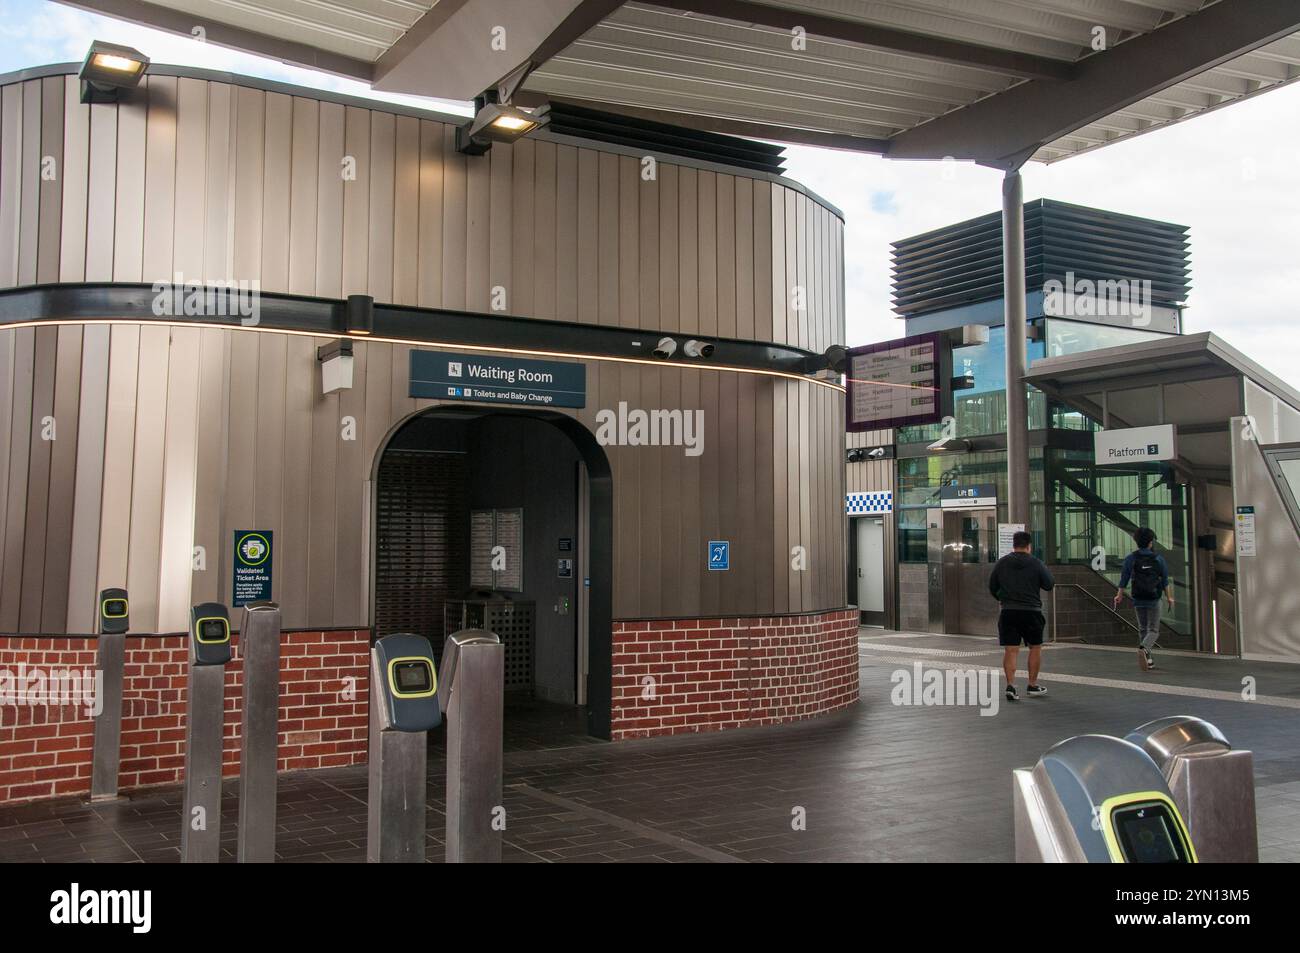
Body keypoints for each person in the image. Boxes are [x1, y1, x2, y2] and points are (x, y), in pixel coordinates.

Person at [988, 530, 1054, 702]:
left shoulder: (1002, 563)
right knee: (1035, 647)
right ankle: (1032, 685)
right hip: (1031, 612)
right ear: (1029, 546)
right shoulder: (1036, 563)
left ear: (1013, 545)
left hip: (1009, 611)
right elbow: (1049, 584)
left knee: (1011, 649)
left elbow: (992, 586)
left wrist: (1002, 599)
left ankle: (1010, 685)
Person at [1113, 527, 1174, 672]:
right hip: (1154, 599)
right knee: (1153, 630)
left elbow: (1124, 578)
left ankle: (1149, 660)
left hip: (1138, 598)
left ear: (1136, 541)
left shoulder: (1131, 558)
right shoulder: (1158, 559)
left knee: (1143, 629)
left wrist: (1119, 594)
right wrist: (1169, 597)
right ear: (1151, 542)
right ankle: (1144, 648)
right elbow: (1165, 580)